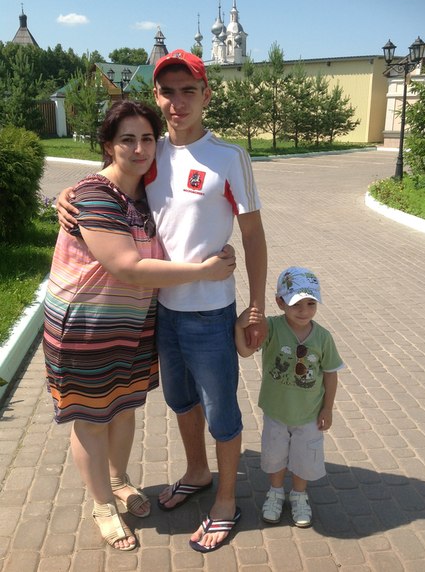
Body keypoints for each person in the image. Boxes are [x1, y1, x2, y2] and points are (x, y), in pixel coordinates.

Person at [56, 50, 267, 552]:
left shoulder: (229, 157)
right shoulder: (151, 152)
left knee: (222, 412)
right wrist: (67, 195)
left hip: (211, 311)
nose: (178, 102)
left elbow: (253, 236)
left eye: (188, 90)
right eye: (167, 92)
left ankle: (226, 501)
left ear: (206, 94)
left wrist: (255, 306)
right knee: (180, 401)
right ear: (156, 96)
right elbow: (110, 182)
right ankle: (197, 471)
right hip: (159, 311)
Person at [235, 266, 344, 528]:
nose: (304, 310)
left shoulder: (323, 337)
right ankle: (275, 492)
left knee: (304, 458)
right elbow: (245, 352)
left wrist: (327, 408)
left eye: (311, 303)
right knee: (274, 455)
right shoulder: (271, 327)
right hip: (276, 411)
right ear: (280, 302)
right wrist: (240, 325)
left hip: (309, 414)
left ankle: (298, 495)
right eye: (296, 304)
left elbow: (330, 374)